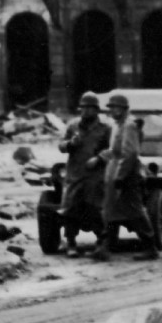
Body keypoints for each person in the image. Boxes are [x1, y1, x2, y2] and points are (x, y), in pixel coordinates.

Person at [94, 93, 159, 260]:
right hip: (115, 170)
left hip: (127, 174)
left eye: (116, 107)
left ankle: (150, 246)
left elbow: (130, 153)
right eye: (111, 108)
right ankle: (105, 247)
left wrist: (120, 176)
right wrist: (101, 157)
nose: (112, 111)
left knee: (134, 210)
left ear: (124, 109)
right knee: (110, 210)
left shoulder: (129, 126)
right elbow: (116, 150)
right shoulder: (117, 125)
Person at [57, 93, 111, 252]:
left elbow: (113, 149)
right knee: (70, 208)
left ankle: (101, 241)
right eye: (83, 108)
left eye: (89, 108)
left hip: (96, 175)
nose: (85, 111)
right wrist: (70, 144)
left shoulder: (105, 128)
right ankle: (71, 242)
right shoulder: (73, 126)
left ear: (96, 110)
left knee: (95, 208)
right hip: (75, 173)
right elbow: (60, 146)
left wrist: (99, 158)